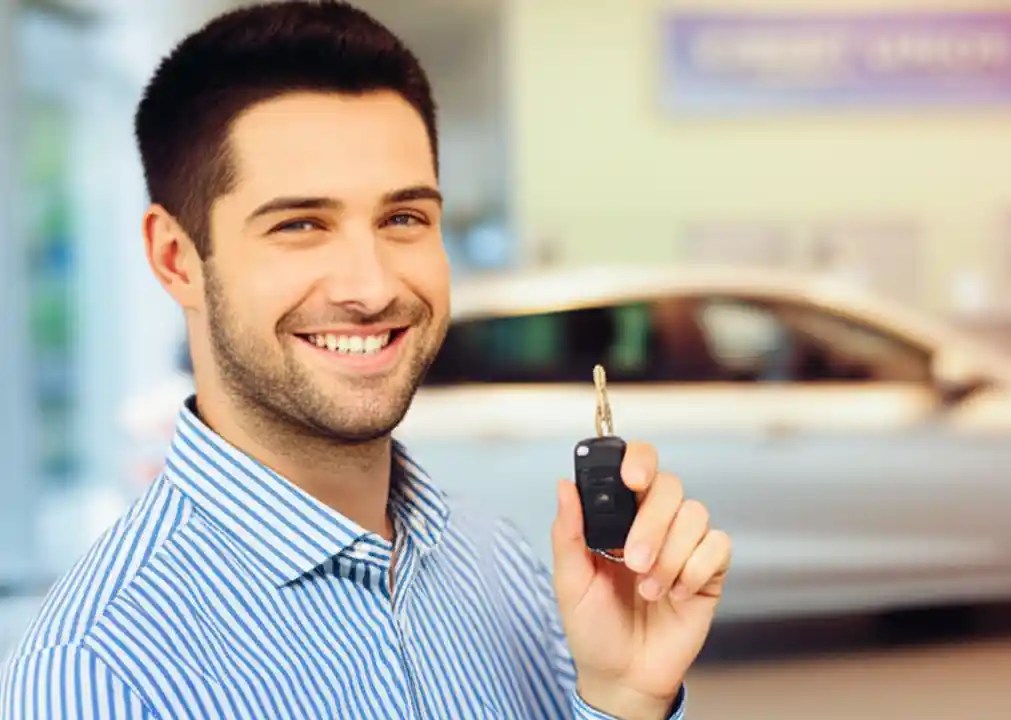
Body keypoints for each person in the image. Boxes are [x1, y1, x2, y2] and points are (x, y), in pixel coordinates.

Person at [0, 2, 731, 718]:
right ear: (175, 258)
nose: (372, 287)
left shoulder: (494, 558)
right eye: (300, 224)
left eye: (404, 218)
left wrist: (624, 700)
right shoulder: (99, 675)